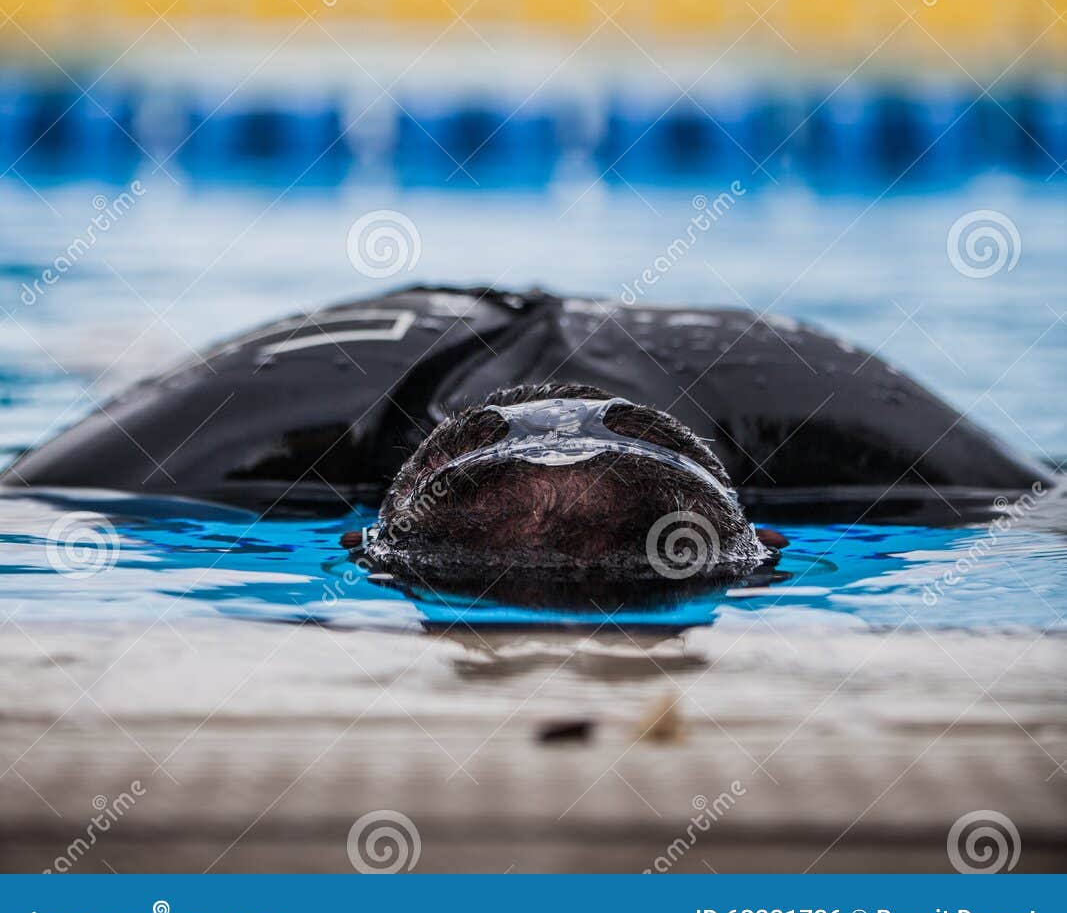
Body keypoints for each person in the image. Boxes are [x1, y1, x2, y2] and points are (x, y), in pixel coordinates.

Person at [4, 286, 1042, 600]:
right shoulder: (849, 425)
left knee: (122, 360)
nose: (560, 436)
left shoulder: (223, 425)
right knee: (115, 354)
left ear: (361, 542)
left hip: (343, 369)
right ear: (767, 544)